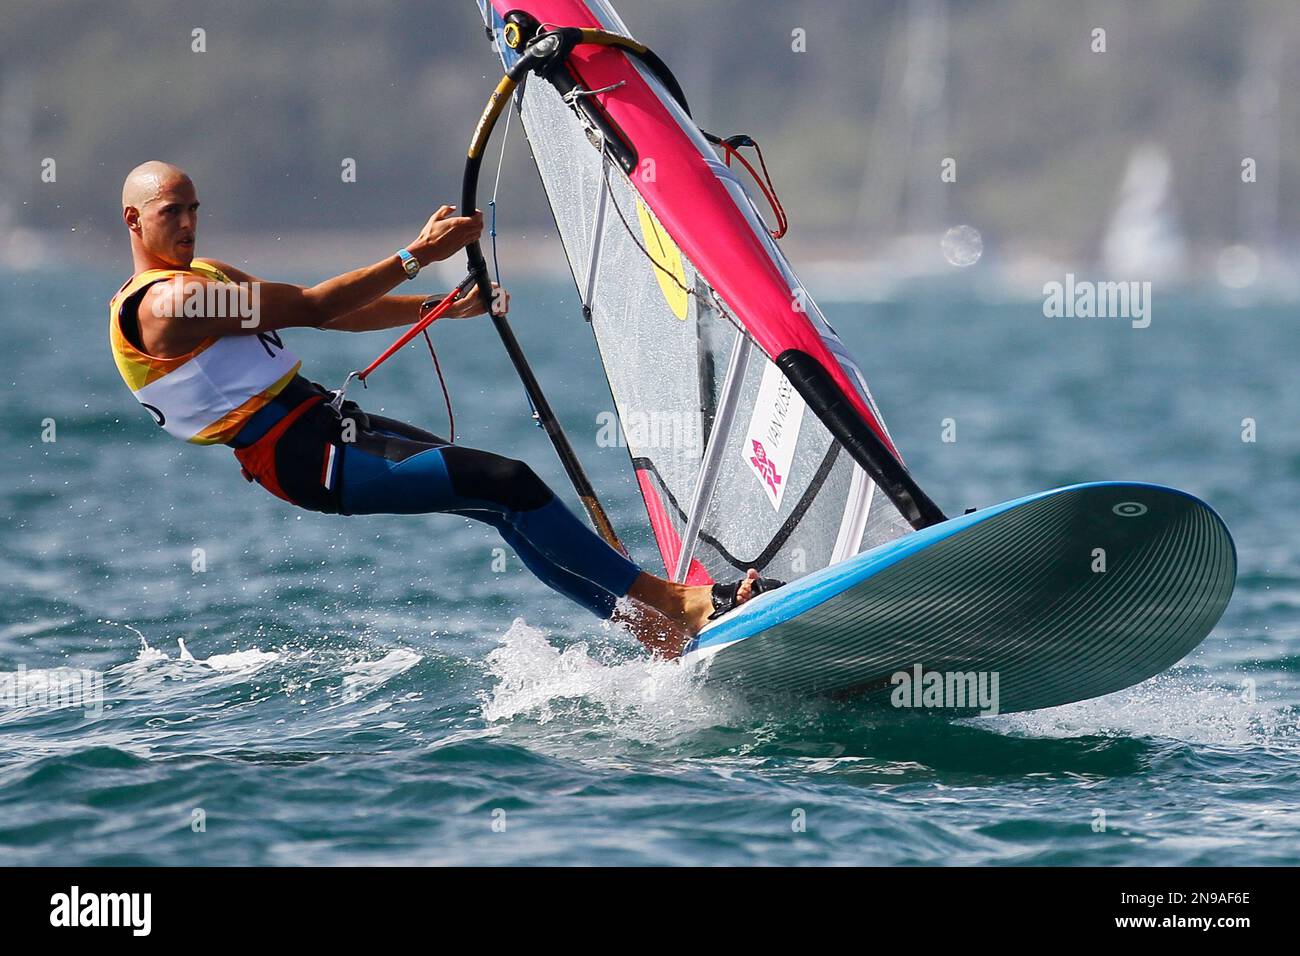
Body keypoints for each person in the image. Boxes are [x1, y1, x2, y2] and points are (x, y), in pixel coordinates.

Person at [109, 161, 779, 657]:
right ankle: (681, 605)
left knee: (499, 503)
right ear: (134, 221)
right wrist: (415, 258)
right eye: (172, 212)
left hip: (323, 422)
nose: (190, 223)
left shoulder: (208, 277)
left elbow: (333, 317)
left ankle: (656, 634)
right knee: (507, 482)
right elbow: (314, 304)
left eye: (194, 206)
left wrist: (439, 307)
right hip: (298, 455)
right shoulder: (167, 307)